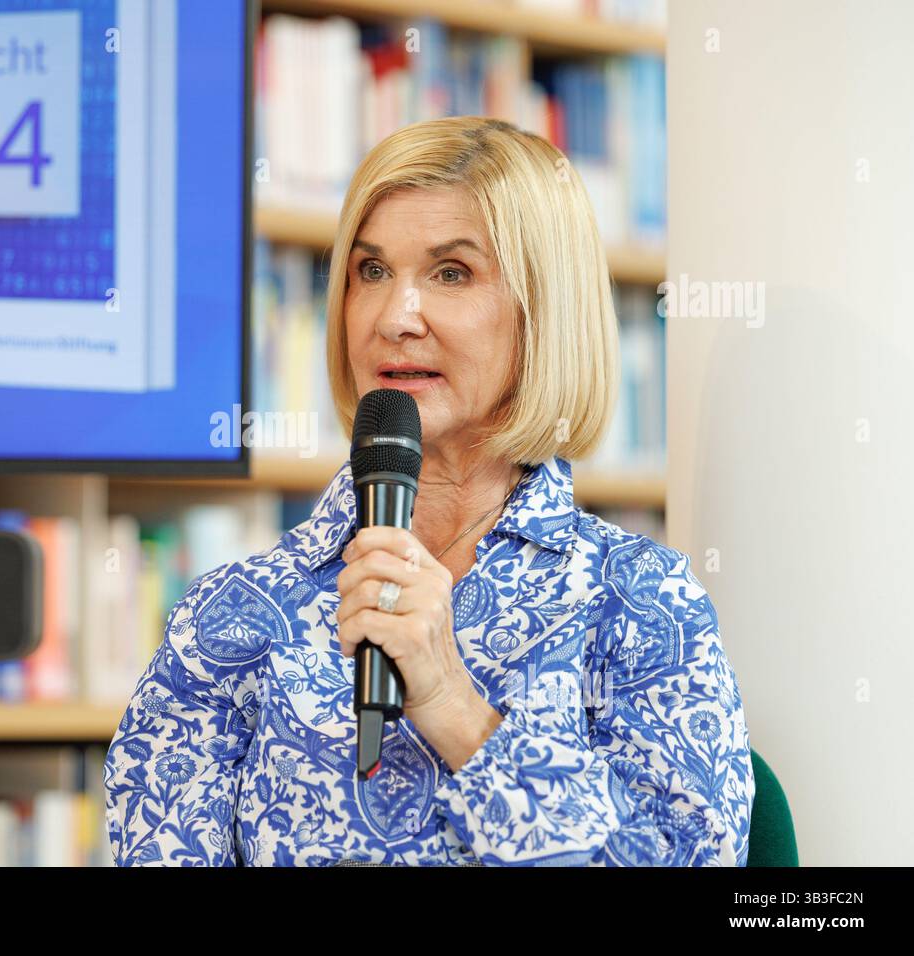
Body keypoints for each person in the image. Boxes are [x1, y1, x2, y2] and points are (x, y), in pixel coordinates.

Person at [104, 116, 754, 866]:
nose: (393, 318)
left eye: (451, 273)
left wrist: (452, 703)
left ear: (543, 313)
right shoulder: (232, 613)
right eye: (371, 272)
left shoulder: (641, 602)